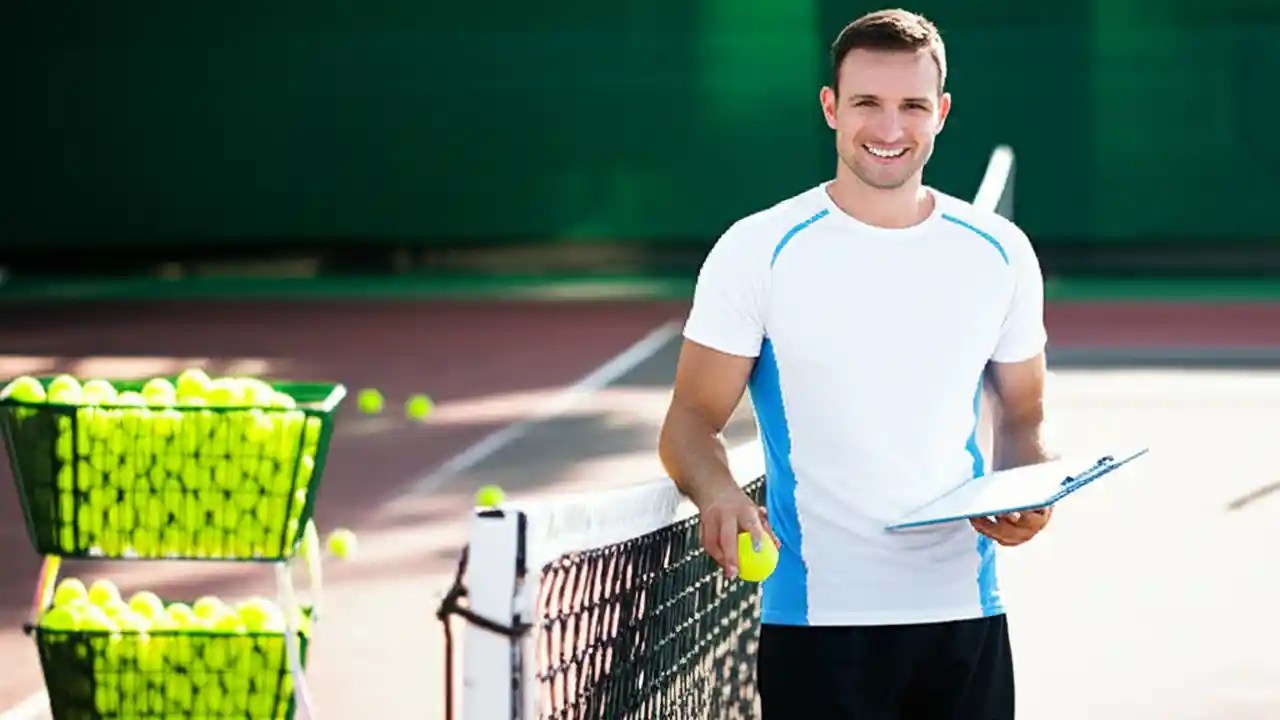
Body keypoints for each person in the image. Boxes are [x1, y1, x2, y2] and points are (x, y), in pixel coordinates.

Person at [658, 8, 1055, 719]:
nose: (890, 129)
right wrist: (719, 495)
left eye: (912, 106)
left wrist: (1025, 487)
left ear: (942, 111)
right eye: (868, 103)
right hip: (816, 624)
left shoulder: (1000, 252)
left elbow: (1023, 412)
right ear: (831, 108)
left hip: (965, 614)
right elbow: (690, 421)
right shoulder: (759, 250)